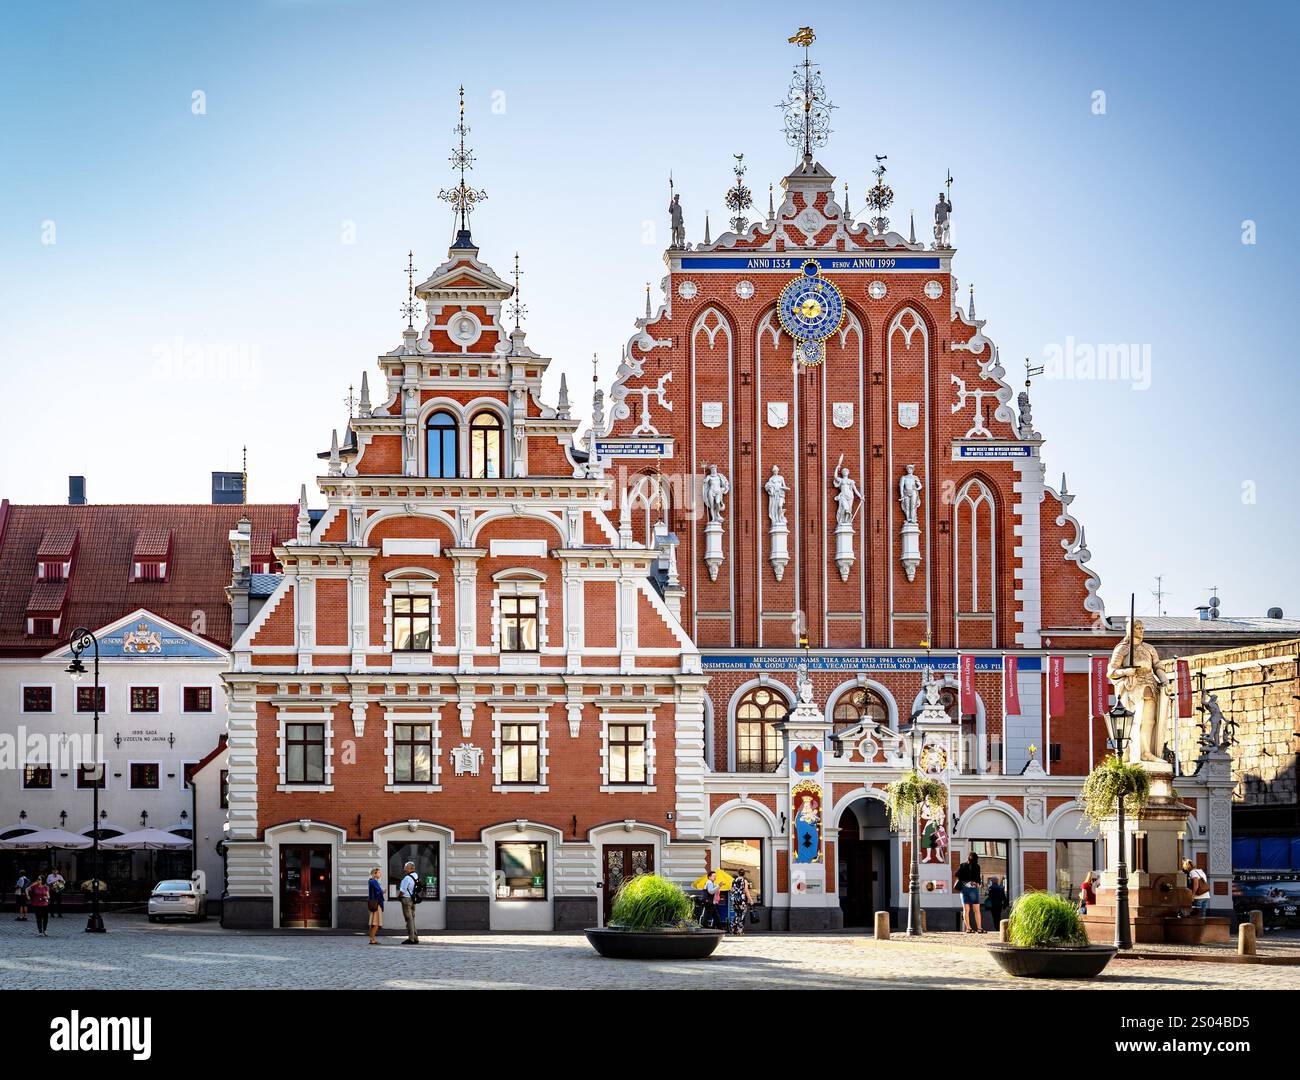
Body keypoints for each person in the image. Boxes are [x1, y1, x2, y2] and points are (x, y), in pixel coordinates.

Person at [954, 851, 983, 933]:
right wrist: (975, 882)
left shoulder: (963, 865)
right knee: (976, 910)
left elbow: (956, 874)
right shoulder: (977, 866)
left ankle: (968, 928)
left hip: (964, 889)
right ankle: (979, 928)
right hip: (973, 889)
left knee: (966, 910)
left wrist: (964, 879)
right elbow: (978, 879)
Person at [398, 860, 419, 944]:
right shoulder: (416, 875)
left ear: (410, 868)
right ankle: (415, 937)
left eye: (406, 868)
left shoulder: (407, 878)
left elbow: (402, 891)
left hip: (406, 899)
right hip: (413, 899)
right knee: (412, 919)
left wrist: (399, 897)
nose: (404, 869)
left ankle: (411, 939)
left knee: (409, 919)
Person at [729, 870, 753, 936]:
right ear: (744, 874)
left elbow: (731, 890)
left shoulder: (733, 881)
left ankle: (733, 928)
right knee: (742, 915)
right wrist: (750, 900)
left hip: (735, 900)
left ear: (738, 873)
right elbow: (746, 891)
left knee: (736, 914)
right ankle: (740, 930)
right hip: (742, 900)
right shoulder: (744, 881)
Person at [366, 866, 384, 945]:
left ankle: (372, 939)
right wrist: (383, 891)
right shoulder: (374, 881)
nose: (380, 874)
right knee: (376, 923)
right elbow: (378, 892)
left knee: (374, 923)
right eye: (379, 872)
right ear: (374, 874)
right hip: (376, 904)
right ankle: (372, 939)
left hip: (374, 904)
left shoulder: (371, 881)